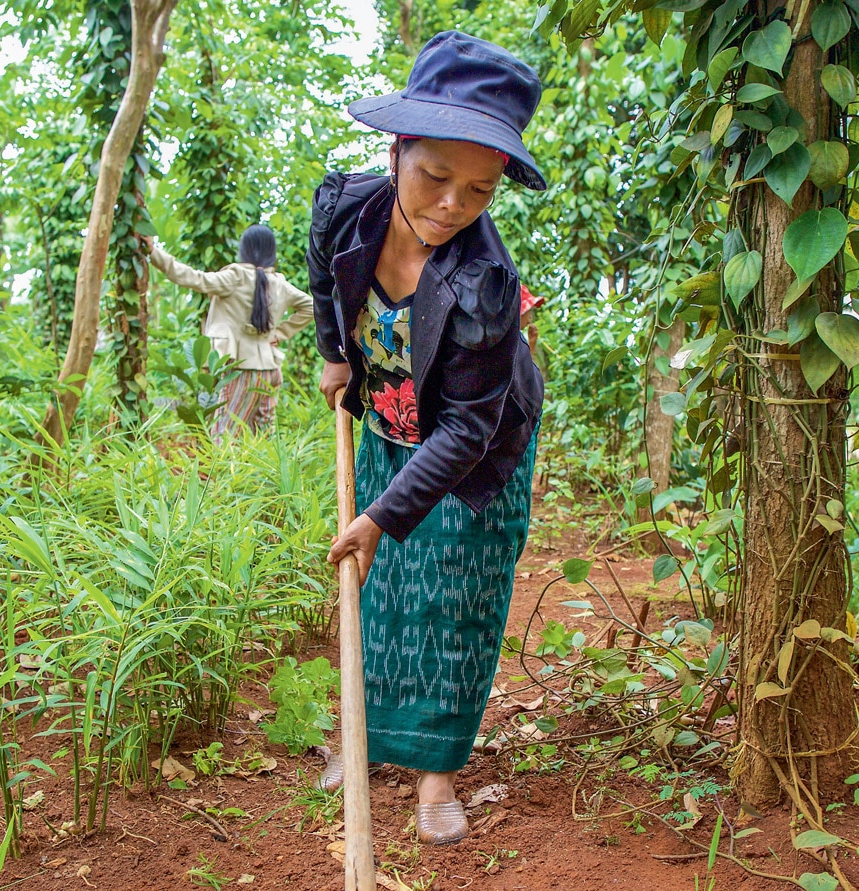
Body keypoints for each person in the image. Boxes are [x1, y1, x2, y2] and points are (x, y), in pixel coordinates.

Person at [308, 31, 546, 846]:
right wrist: (337, 355)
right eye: (434, 176)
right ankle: (364, 739)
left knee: (452, 600)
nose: (451, 205)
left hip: (473, 453)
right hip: (388, 418)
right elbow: (321, 276)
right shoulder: (347, 207)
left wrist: (380, 516)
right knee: (382, 595)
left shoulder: (484, 283)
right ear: (398, 147)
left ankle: (437, 773)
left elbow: (470, 427)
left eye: (479, 192)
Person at [148, 226, 314, 440]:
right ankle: (263, 475)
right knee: (264, 437)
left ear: (244, 249)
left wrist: (154, 252)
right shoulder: (279, 283)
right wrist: (278, 334)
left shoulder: (235, 276)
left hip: (240, 369)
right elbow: (311, 306)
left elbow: (192, 278)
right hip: (270, 369)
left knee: (224, 435)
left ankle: (217, 474)